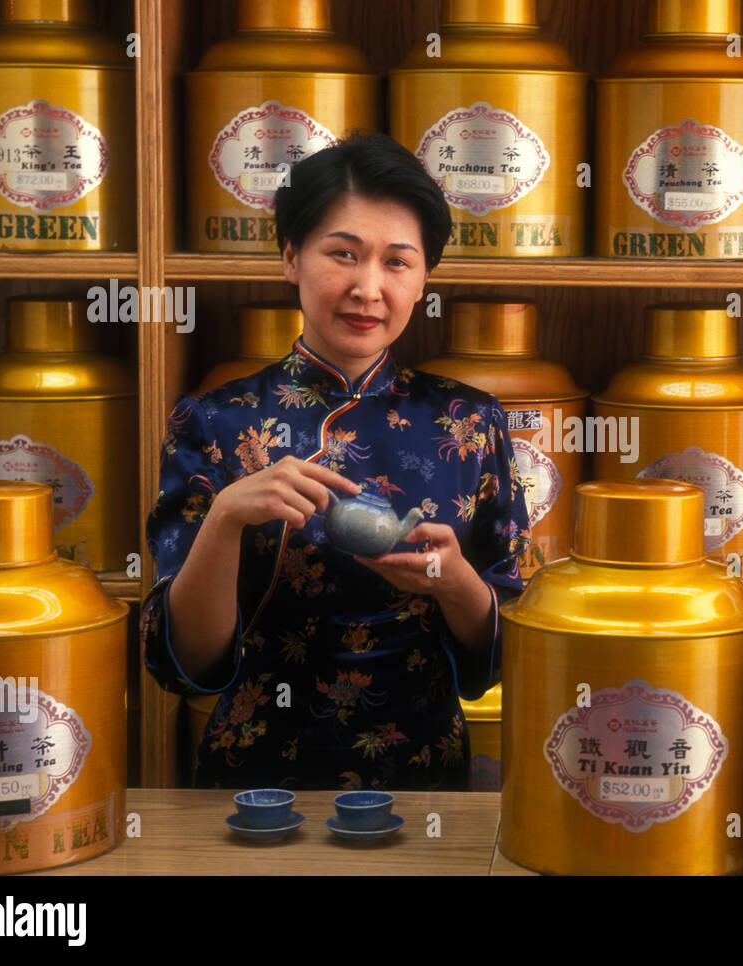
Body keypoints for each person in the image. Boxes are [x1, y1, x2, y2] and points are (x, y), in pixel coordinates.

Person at [141, 132, 529, 790]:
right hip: (255, 775)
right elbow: (184, 666)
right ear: (290, 256)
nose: (367, 288)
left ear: (425, 278)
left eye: (397, 263)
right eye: (342, 255)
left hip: (427, 777)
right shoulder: (211, 421)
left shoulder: (471, 421)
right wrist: (227, 518)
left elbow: (508, 656)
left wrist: (453, 579)